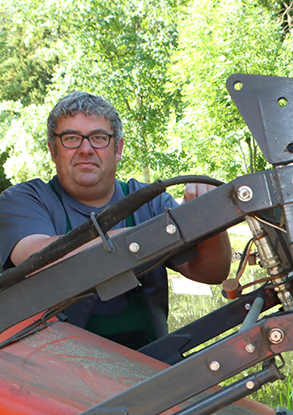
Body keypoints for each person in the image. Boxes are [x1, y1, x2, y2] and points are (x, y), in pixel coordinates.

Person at [0, 91, 231, 350]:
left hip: (149, 367)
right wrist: (159, 234)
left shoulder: (152, 201)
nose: (85, 149)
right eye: (71, 138)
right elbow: (39, 259)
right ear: (53, 150)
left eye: (98, 138)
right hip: (53, 375)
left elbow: (212, 272)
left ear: (117, 148)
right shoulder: (24, 200)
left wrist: (211, 217)